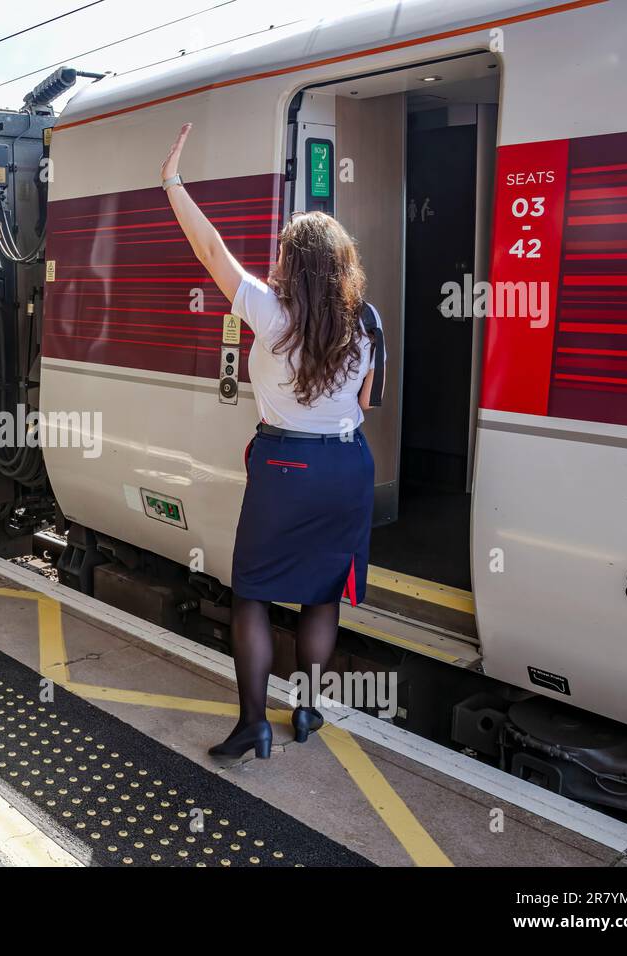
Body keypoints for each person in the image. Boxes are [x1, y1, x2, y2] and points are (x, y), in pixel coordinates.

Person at [160, 123, 382, 760]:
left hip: (285, 465)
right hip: (347, 468)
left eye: (283, 251)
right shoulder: (366, 321)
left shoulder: (267, 308)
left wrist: (172, 181)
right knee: (322, 593)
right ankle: (307, 711)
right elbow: (368, 402)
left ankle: (254, 723)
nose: (275, 260)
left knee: (253, 592)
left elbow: (210, 248)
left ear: (293, 262)